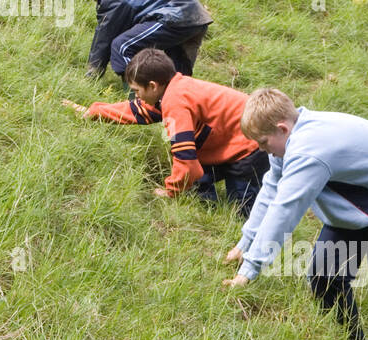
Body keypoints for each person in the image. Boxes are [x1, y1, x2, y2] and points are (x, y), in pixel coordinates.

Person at [223, 88, 368, 340]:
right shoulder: (287, 140)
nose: (261, 149)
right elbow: (272, 187)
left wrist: (251, 269)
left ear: (281, 128)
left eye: (263, 142)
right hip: (355, 205)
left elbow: (285, 209)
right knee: (324, 277)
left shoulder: (308, 151)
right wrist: (246, 241)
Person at [63, 48, 268, 217]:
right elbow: (136, 111)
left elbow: (186, 160)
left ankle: (251, 244)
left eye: (137, 91)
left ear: (152, 86)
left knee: (241, 211)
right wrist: (93, 112)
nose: (136, 96)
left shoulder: (175, 102)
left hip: (251, 148)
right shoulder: (174, 87)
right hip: (232, 138)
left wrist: (171, 191)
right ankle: (206, 208)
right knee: (198, 185)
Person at [64, 0, 213, 79]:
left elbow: (105, 36)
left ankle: (136, 98)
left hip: (176, 16)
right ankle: (167, 106)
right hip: (196, 17)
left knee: (121, 46)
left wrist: (93, 73)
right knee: (177, 75)